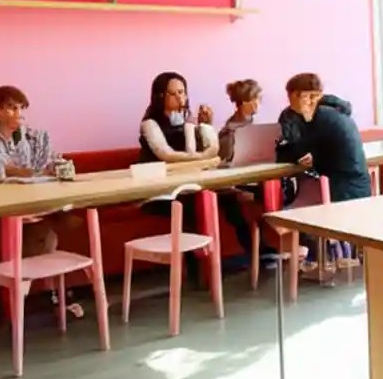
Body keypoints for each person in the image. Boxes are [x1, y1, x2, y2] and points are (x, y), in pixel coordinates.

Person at [0, 85, 81, 315]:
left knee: (54, 223)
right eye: (11, 108)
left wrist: (60, 167)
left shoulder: (35, 136)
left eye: (21, 108)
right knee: (46, 227)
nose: (18, 113)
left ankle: (37, 294)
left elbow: (50, 162)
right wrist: (27, 172)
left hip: (35, 203)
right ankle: (41, 294)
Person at [275, 73, 370, 269]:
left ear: (303, 97)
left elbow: (293, 151)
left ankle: (320, 253)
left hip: (344, 191)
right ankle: (322, 253)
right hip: (357, 186)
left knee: (282, 213)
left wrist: (284, 149)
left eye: (292, 97)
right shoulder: (333, 112)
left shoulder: (322, 119)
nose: (290, 104)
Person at [139, 72, 220, 278]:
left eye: (182, 92)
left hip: (187, 183)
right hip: (159, 190)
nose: (179, 98)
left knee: (225, 199)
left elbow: (212, 150)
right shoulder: (150, 124)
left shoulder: (187, 122)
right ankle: (196, 269)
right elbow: (166, 155)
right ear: (160, 96)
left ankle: (259, 254)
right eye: (172, 93)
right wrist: (199, 157)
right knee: (189, 206)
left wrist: (205, 126)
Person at [217, 79, 279, 264]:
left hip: (256, 180)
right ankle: (260, 250)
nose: (259, 103)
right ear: (245, 102)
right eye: (257, 99)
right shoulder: (230, 133)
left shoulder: (255, 127)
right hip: (236, 184)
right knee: (235, 204)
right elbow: (226, 163)